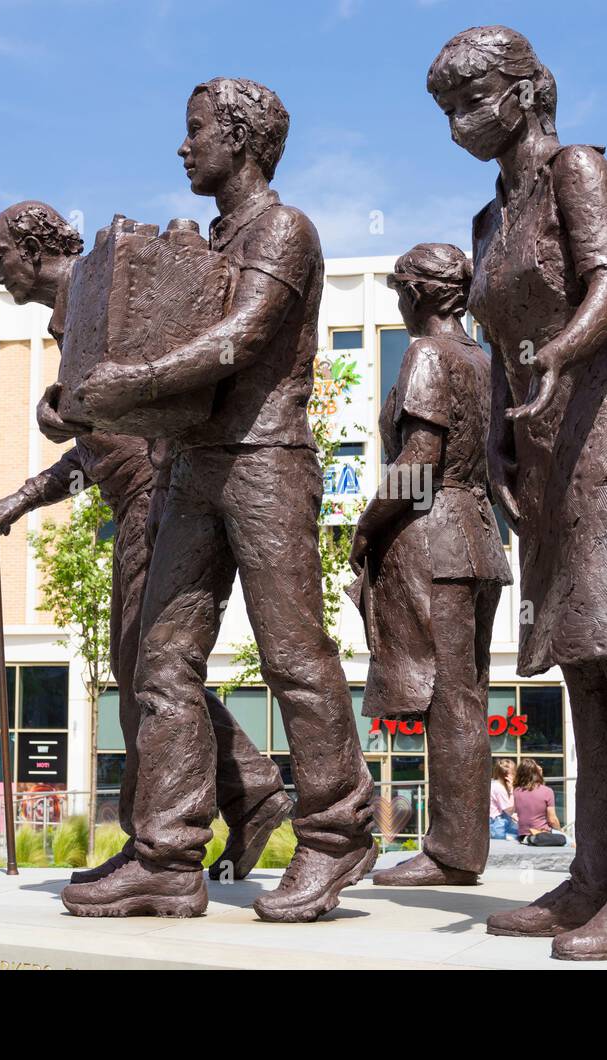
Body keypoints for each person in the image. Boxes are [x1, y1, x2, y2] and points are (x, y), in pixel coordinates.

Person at [428, 25, 607, 961]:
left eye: (472, 99)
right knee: (585, 665)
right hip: (553, 452)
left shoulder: (578, 169)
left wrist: (552, 356)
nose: (460, 122)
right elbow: (507, 352)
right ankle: (594, 875)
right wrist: (505, 432)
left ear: (526, 91)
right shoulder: (486, 222)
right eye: (446, 109)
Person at [68, 78, 375, 922]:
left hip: (266, 459)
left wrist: (132, 381)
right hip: (194, 463)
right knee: (159, 660)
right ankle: (166, 857)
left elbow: (240, 337)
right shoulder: (211, 239)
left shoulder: (283, 228)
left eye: (196, 130)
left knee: (292, 655)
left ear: (240, 138)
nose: (183, 146)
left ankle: (338, 832)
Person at [0, 201, 289, 889]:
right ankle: (246, 797)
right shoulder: (73, 319)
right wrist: (22, 498)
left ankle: (163, 842)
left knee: (149, 669)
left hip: (159, 497)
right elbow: (94, 451)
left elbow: (148, 412)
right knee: (143, 668)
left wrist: (75, 415)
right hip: (134, 501)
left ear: (32, 248)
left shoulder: (102, 294)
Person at [348, 243, 512, 888]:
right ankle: (460, 849)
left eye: (400, 291)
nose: (398, 302)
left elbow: (418, 461)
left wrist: (367, 526)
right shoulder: (483, 359)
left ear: (418, 293)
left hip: (432, 536)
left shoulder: (426, 353)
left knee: (446, 699)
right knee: (465, 697)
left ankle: (450, 852)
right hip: (477, 535)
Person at [512, 760, 564, 844]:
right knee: (569, 842)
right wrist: (560, 831)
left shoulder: (516, 791)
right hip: (542, 833)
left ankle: (530, 839)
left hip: (522, 835)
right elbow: (552, 820)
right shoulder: (547, 791)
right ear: (537, 773)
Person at [489, 759, 518, 839]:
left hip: (494, 824)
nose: (516, 775)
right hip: (498, 826)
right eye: (514, 772)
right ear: (508, 775)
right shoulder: (499, 789)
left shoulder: (493, 783)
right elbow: (509, 811)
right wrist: (512, 791)